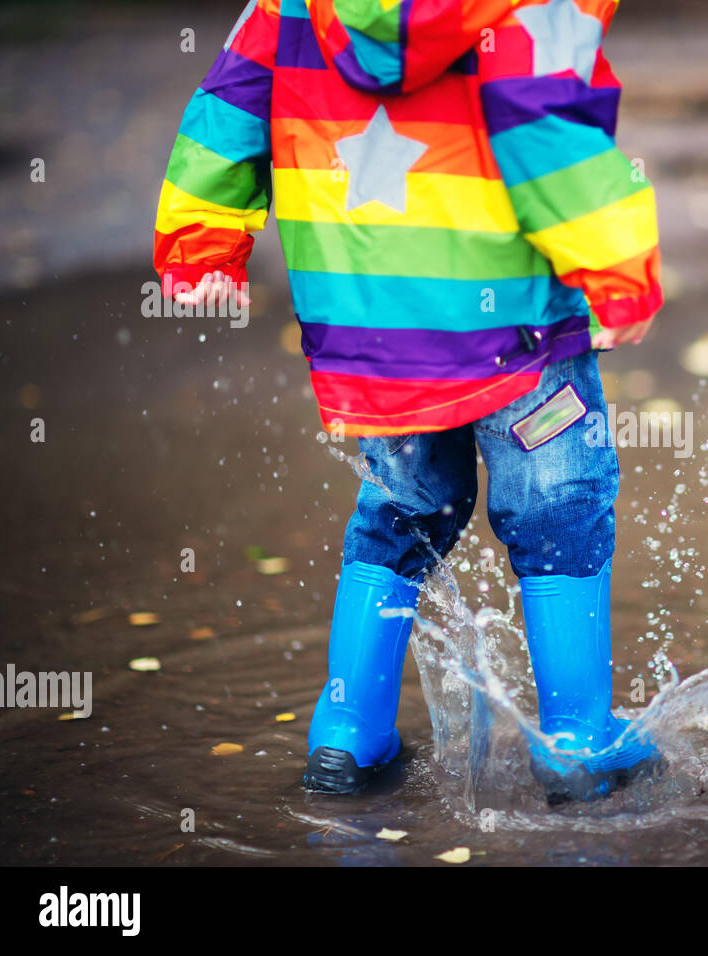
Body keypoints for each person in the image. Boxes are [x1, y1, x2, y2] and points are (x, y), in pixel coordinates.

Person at [153, 0, 663, 802]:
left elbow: (229, 109)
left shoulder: (286, 10)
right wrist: (619, 268)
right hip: (518, 333)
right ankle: (576, 742)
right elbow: (547, 130)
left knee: (404, 504)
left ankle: (347, 734)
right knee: (557, 505)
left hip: (373, 337)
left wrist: (200, 246)